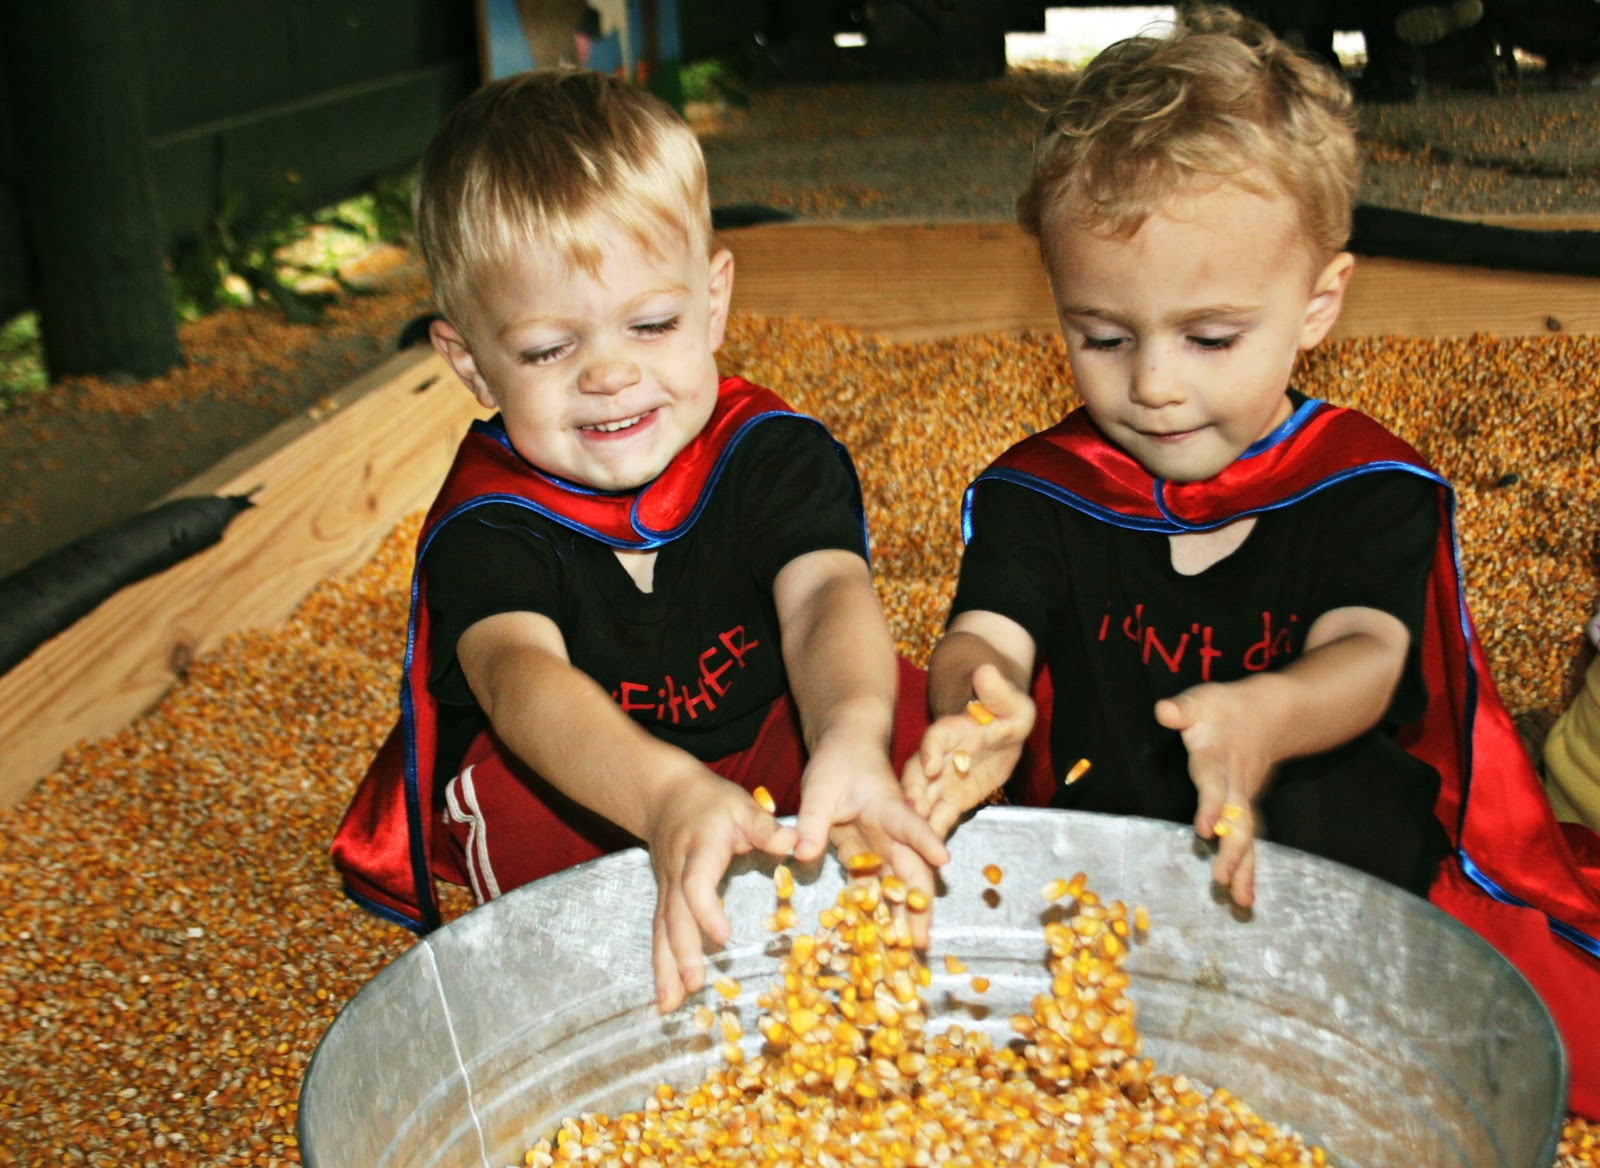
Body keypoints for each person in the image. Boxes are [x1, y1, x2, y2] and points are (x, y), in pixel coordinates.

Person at [902, 5, 1600, 1114]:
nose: (1155, 384)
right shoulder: (1043, 489)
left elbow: (1370, 651)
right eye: (1102, 335)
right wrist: (975, 706)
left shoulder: (1364, 487)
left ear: (1318, 303)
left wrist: (1269, 714)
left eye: (1210, 337)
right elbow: (987, 630)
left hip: (1346, 878)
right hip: (1115, 888)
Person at [331, 67, 947, 1012]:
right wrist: (662, 797)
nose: (611, 375)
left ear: (713, 303)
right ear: (470, 364)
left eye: (652, 324)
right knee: (508, 809)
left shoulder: (767, 453)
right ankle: (601, 973)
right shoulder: (487, 522)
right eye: (546, 350)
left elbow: (825, 594)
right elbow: (518, 680)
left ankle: (868, 875)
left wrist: (850, 735)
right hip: (589, 781)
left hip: (768, 737)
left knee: (914, 709)